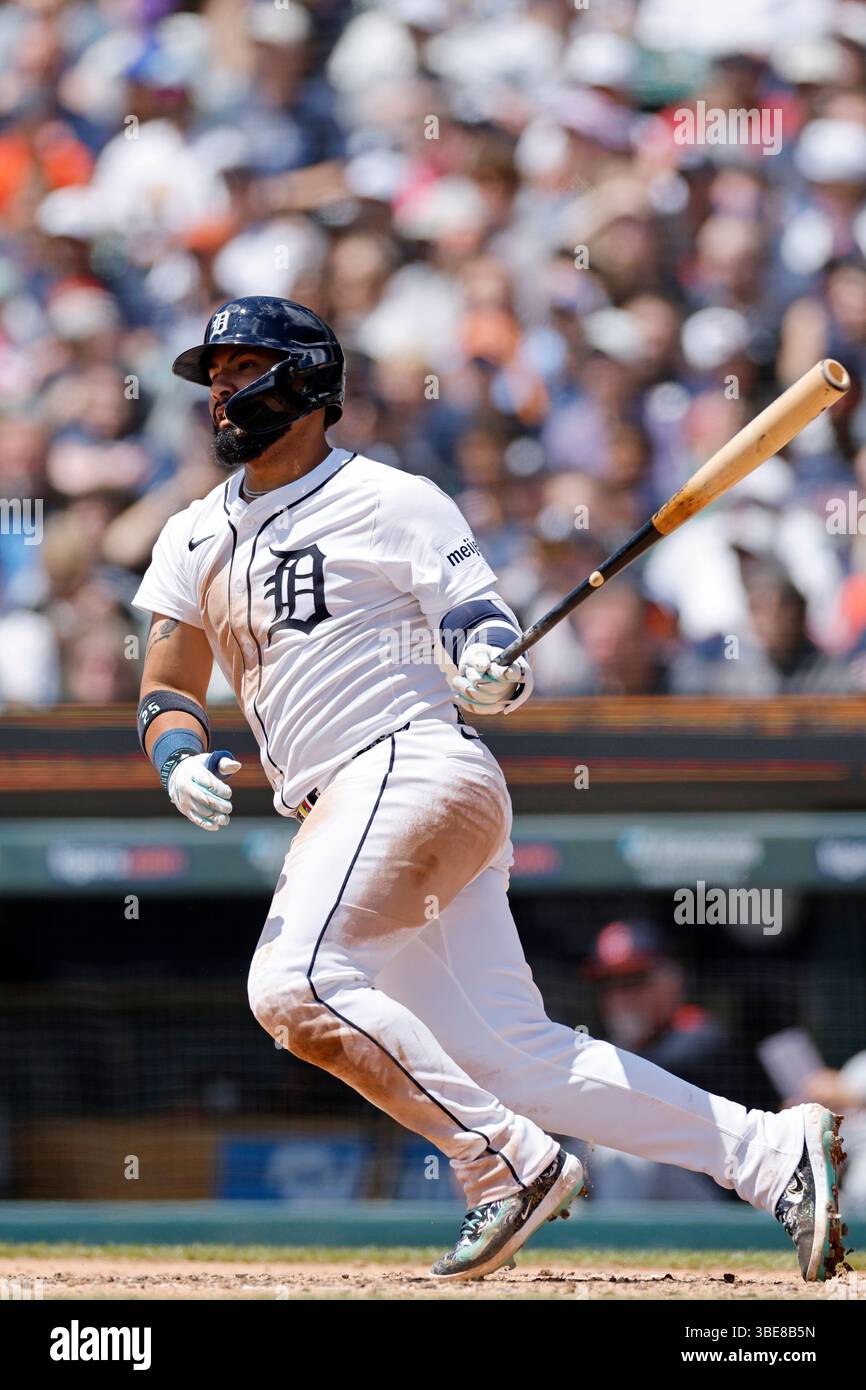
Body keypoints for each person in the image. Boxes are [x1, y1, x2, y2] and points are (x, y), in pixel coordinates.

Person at [133, 294, 845, 1283]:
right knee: (514, 1059)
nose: (218, 392)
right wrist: (176, 752)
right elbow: (168, 682)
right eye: (210, 376)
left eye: (239, 368)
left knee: (290, 984)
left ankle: (499, 1162)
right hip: (344, 807)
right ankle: (772, 1153)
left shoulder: (391, 498)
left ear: (304, 379)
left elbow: (476, 619)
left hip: (409, 762)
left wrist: (488, 665)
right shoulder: (190, 534)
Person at [582, 919, 739, 1202]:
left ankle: (609, 1244)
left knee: (623, 1152)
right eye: (610, 984)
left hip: (710, 1199)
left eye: (634, 981)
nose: (622, 997)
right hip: (646, 1193)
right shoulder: (611, 1047)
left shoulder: (697, 1037)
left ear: (670, 980)